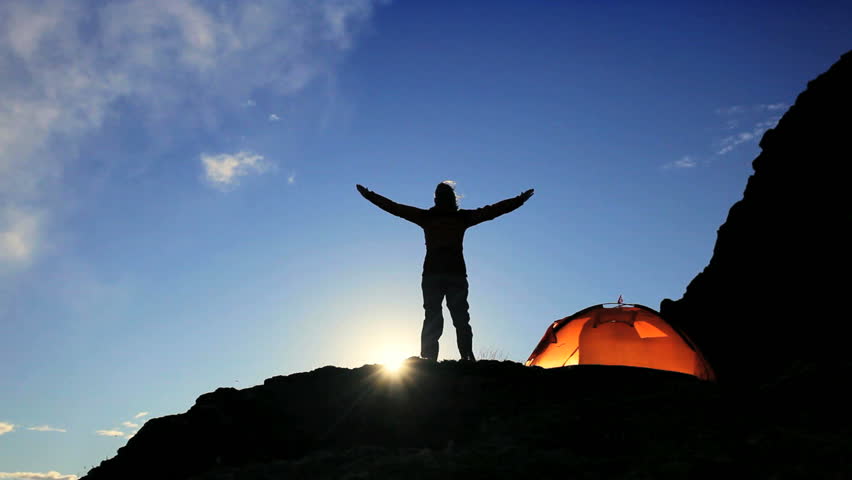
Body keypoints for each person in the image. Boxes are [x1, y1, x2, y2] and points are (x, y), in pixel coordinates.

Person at [357, 181, 534, 361]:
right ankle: (443, 357)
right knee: (449, 316)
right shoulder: (442, 217)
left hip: (444, 274)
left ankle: (451, 357)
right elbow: (396, 208)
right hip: (444, 274)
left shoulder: (439, 217)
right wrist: (370, 195)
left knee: (448, 316)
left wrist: (519, 200)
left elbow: (492, 211)